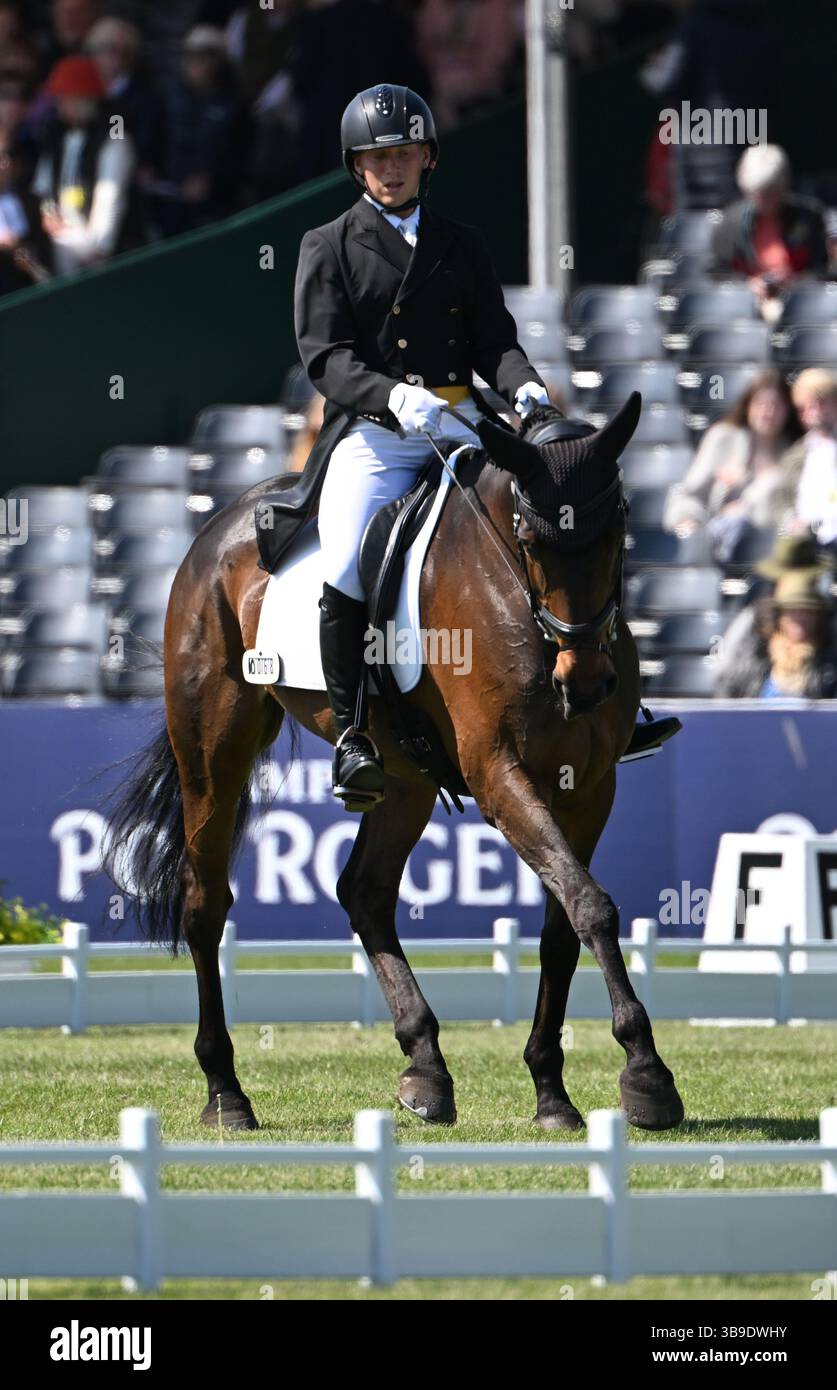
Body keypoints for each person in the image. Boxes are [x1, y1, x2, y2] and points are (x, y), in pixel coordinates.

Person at [293, 82, 669, 811]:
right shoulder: (327, 245)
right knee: (343, 565)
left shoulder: (459, 242)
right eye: (377, 157)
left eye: (404, 153)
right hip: (376, 437)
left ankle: (618, 704)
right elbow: (324, 357)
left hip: (464, 425)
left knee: (561, 523)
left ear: (427, 157)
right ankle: (351, 736)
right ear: (356, 167)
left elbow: (494, 343)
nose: (391, 167)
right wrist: (388, 393)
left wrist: (523, 389)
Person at [663, 369, 798, 546]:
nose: (768, 412)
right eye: (761, 403)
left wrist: (746, 503)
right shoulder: (722, 439)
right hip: (717, 540)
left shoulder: (797, 452)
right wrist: (689, 519)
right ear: (748, 405)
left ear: (788, 410)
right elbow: (689, 494)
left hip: (773, 543)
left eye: (776, 405)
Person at [32, 55, 140, 274]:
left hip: (101, 251)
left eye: (64, 98)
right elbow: (43, 185)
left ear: (83, 99)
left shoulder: (113, 134)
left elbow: (111, 196)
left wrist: (100, 247)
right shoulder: (56, 133)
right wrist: (48, 211)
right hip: (62, 241)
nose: (59, 105)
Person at [709, 145, 829, 321]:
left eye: (772, 193)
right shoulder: (730, 223)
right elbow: (716, 274)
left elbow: (822, 271)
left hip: (800, 305)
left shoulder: (810, 217)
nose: (765, 200)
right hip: (746, 308)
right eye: (759, 194)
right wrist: (748, 285)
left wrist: (794, 281)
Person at [716, 565, 837, 699]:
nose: (801, 618)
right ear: (779, 616)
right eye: (793, 611)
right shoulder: (755, 654)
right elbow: (730, 694)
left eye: (808, 612)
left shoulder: (830, 662)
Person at [772, 369, 837, 547]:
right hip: (808, 544)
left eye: (820, 403)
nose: (813, 412)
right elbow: (781, 502)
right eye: (804, 408)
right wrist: (790, 522)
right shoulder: (794, 456)